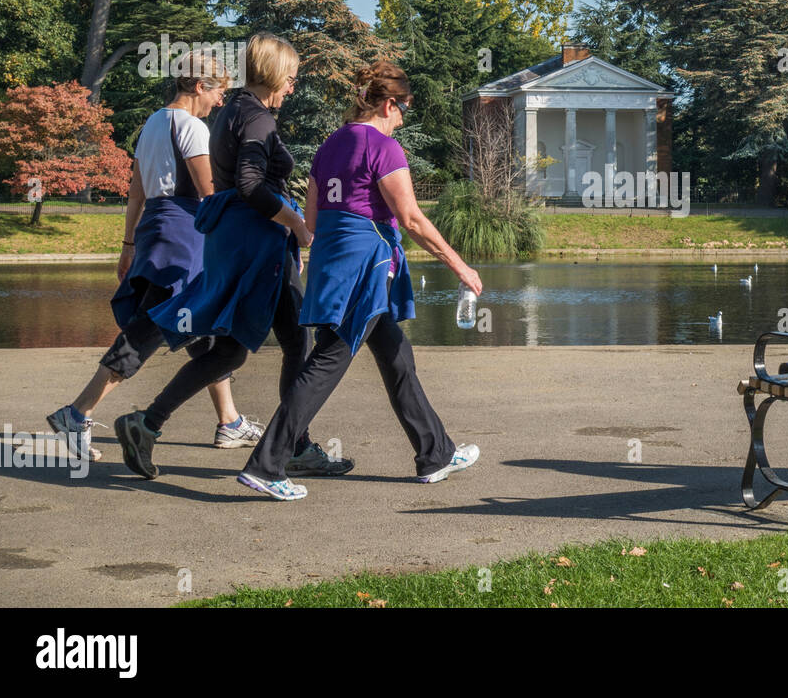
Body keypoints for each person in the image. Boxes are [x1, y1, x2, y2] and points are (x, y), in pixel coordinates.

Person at [238, 61, 482, 500]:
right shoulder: (383, 146)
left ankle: (435, 454)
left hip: (332, 261)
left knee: (395, 354)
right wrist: (460, 266)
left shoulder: (331, 144)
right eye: (404, 109)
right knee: (329, 360)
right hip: (367, 264)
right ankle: (266, 463)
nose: (403, 119)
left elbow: (310, 222)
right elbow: (411, 218)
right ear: (389, 103)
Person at [114, 32, 344, 480]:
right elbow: (251, 184)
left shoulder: (232, 111)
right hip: (258, 243)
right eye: (291, 78)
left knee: (234, 350)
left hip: (235, 240)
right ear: (274, 73)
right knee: (297, 341)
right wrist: (295, 225)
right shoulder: (257, 119)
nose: (293, 88)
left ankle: (146, 423)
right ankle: (293, 446)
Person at [46, 52, 263, 463]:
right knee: (149, 330)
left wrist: (128, 245)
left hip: (157, 231)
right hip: (184, 235)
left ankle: (229, 421)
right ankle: (77, 413)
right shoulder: (193, 128)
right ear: (199, 86)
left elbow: (136, 192)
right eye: (219, 91)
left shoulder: (152, 123)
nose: (221, 101)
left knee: (203, 331)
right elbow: (210, 197)